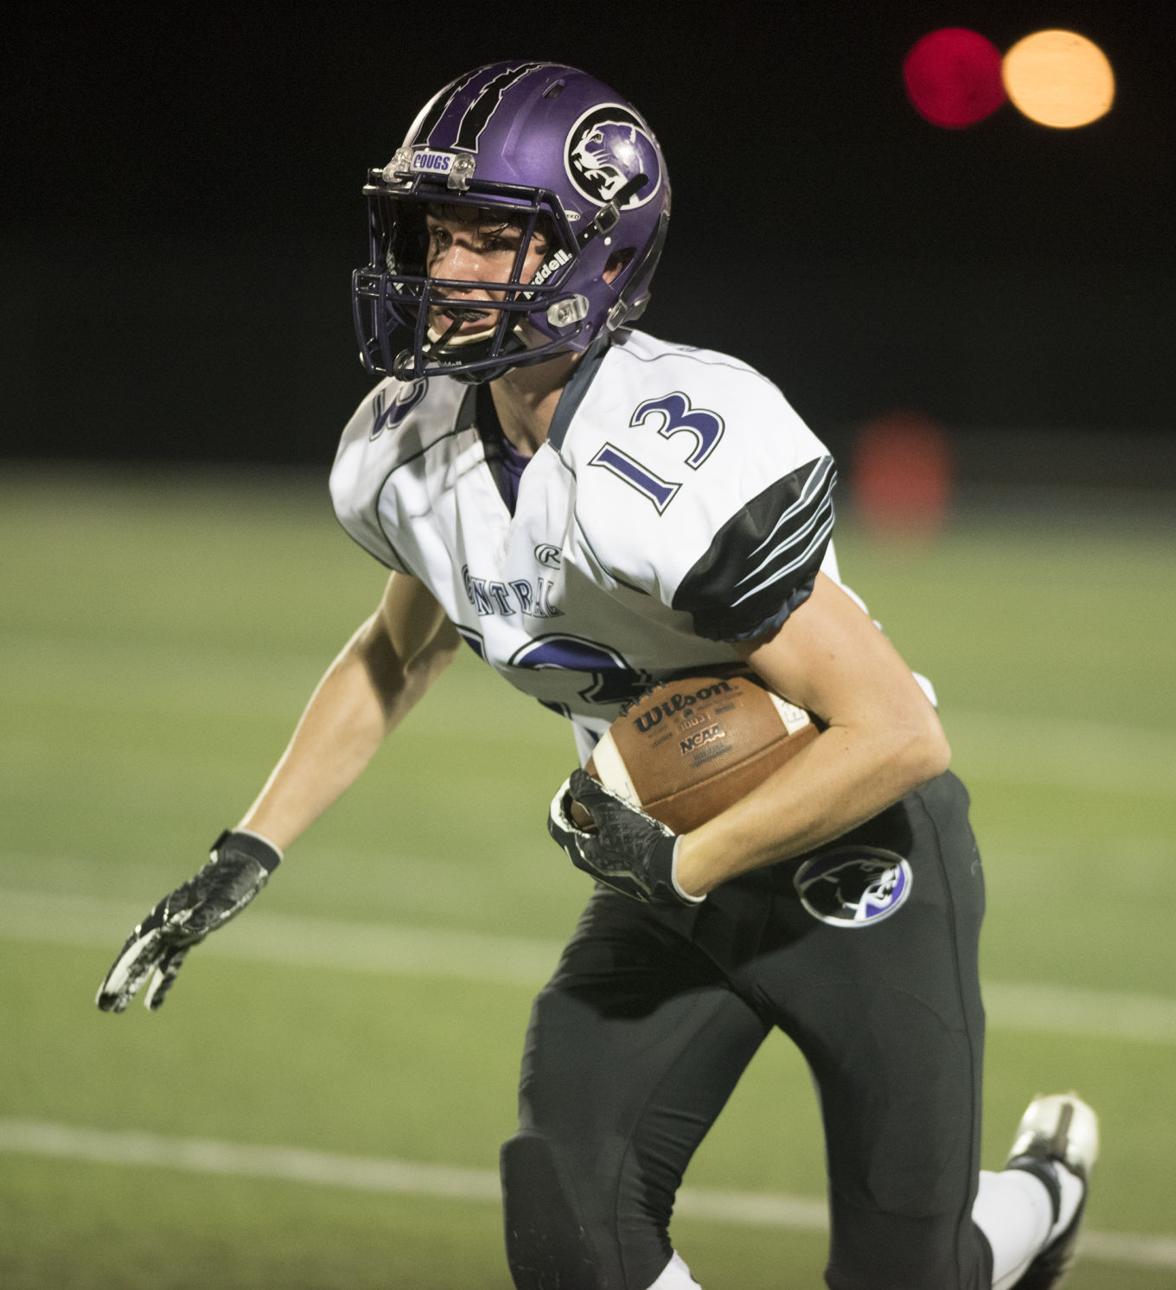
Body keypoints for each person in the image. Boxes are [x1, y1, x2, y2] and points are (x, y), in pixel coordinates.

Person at [96, 62, 1098, 1290]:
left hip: (855, 846)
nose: (446, 268)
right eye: (433, 231)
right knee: (573, 1224)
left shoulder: (669, 452)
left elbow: (895, 734)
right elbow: (396, 649)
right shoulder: (408, 445)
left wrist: (678, 864)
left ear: (597, 255)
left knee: (908, 1274)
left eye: (487, 237)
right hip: (667, 853)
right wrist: (250, 847)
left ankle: (1039, 1197)